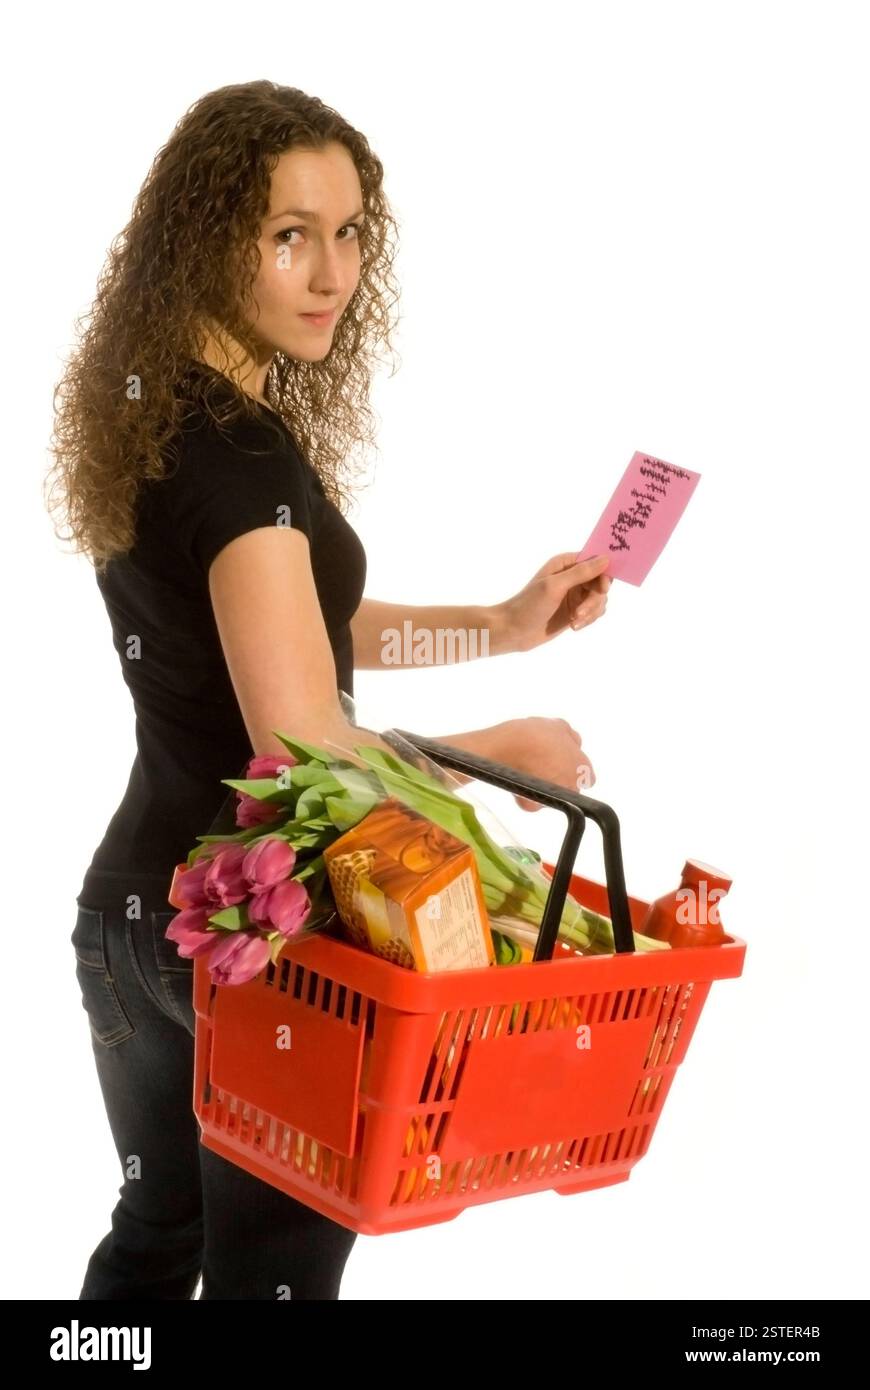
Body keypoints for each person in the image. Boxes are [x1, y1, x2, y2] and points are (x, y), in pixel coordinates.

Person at [46, 79, 611, 1301]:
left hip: (134, 922)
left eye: (351, 232)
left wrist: (503, 626)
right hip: (250, 951)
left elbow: (307, 630)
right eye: (288, 233)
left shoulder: (172, 421)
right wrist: (497, 753)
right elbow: (299, 740)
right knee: (275, 1278)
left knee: (158, 1242)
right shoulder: (237, 456)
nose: (332, 272)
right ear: (209, 239)